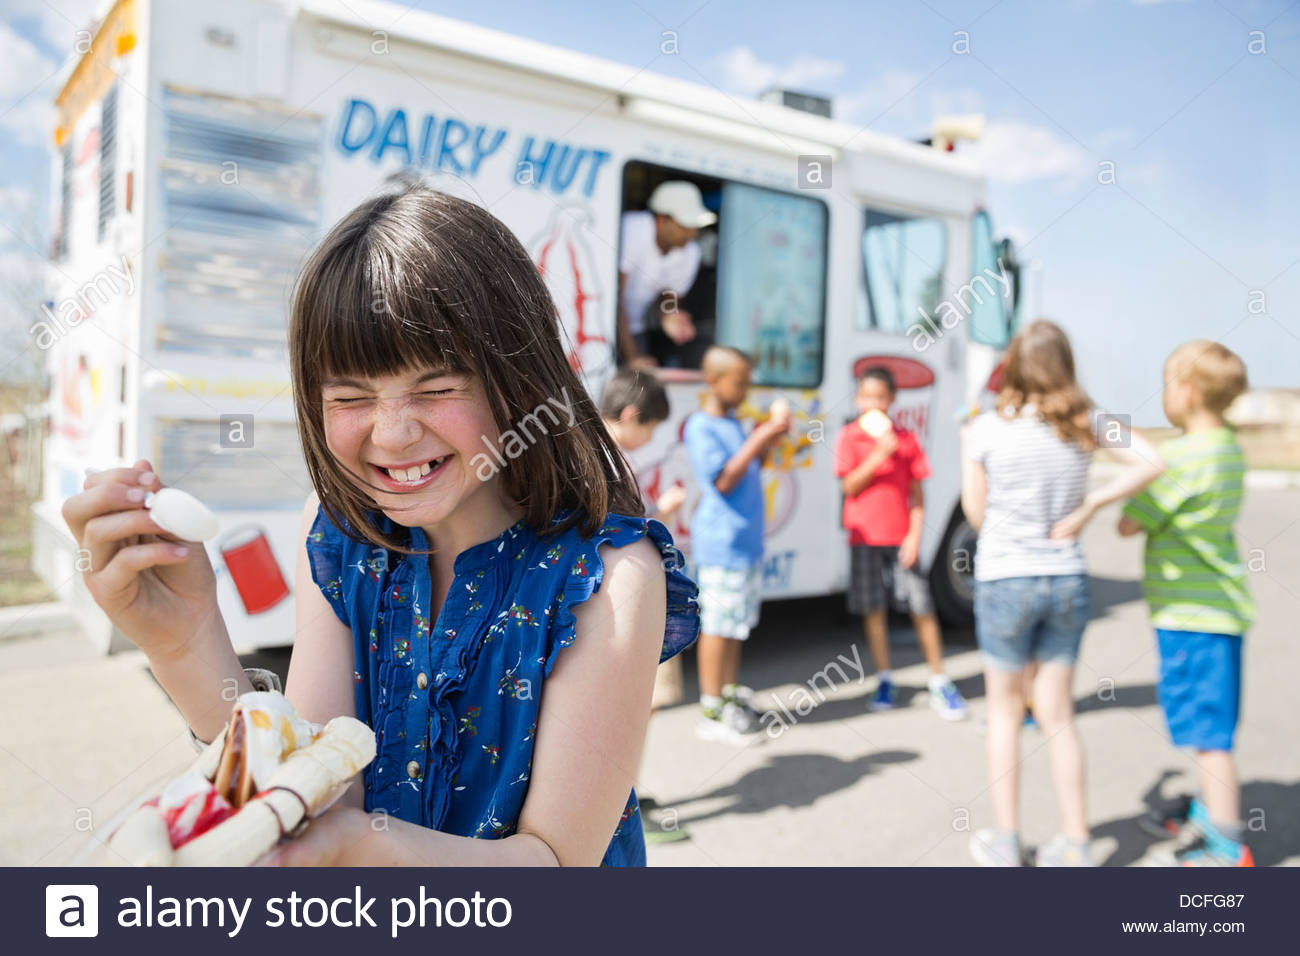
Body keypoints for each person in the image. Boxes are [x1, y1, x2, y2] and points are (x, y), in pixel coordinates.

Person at [61, 185, 699, 866]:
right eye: (350, 396)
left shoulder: (610, 576)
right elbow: (311, 776)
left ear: (520, 377)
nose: (392, 433)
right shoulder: (342, 533)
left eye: (437, 387)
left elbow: (555, 860)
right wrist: (184, 641)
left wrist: (357, 849)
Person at [961, 320, 1163, 867]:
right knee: (1059, 717)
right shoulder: (1087, 420)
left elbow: (976, 515)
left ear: (1013, 366)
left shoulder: (984, 427)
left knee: (1005, 715)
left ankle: (1006, 840)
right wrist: (1092, 504)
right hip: (1066, 576)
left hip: (1006, 576)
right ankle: (1076, 841)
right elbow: (1153, 460)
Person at [1119, 340, 1255, 867]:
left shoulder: (1181, 458)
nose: (1163, 394)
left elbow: (1129, 522)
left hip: (1190, 616)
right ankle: (1207, 810)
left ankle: (1225, 843)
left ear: (1190, 392)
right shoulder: (1227, 447)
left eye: (1167, 383)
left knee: (1208, 734)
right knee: (1210, 721)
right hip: (1221, 611)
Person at [833, 366, 968, 720]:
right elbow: (848, 487)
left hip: (900, 538)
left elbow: (917, 497)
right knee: (873, 610)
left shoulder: (907, 439)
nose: (873, 403)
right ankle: (885, 678)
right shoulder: (849, 437)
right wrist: (878, 455)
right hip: (864, 538)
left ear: (891, 400)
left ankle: (939, 680)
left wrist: (914, 536)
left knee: (922, 608)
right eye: (867, 396)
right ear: (858, 398)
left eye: (880, 397)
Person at [599, 367, 689, 843]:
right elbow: (620, 532)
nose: (650, 438)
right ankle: (619, 800)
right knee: (633, 709)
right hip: (623, 607)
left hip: (606, 608)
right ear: (631, 415)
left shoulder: (581, 448)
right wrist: (664, 513)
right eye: (650, 427)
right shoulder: (609, 461)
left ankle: (622, 794)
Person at [683, 346, 789, 744]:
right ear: (712, 381)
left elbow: (751, 468)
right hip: (721, 544)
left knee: (735, 626)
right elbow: (724, 482)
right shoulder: (701, 426)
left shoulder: (733, 422)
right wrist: (761, 434)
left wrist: (768, 439)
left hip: (744, 543)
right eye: (739, 383)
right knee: (717, 626)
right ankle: (710, 710)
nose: (746, 391)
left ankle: (728, 695)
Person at [618, 181, 715, 367]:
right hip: (603, 323)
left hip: (634, 328)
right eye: (686, 226)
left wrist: (669, 315)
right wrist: (632, 358)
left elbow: (668, 295)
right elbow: (614, 297)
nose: (692, 234)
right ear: (662, 220)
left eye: (695, 226)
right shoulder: (634, 230)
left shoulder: (690, 251)